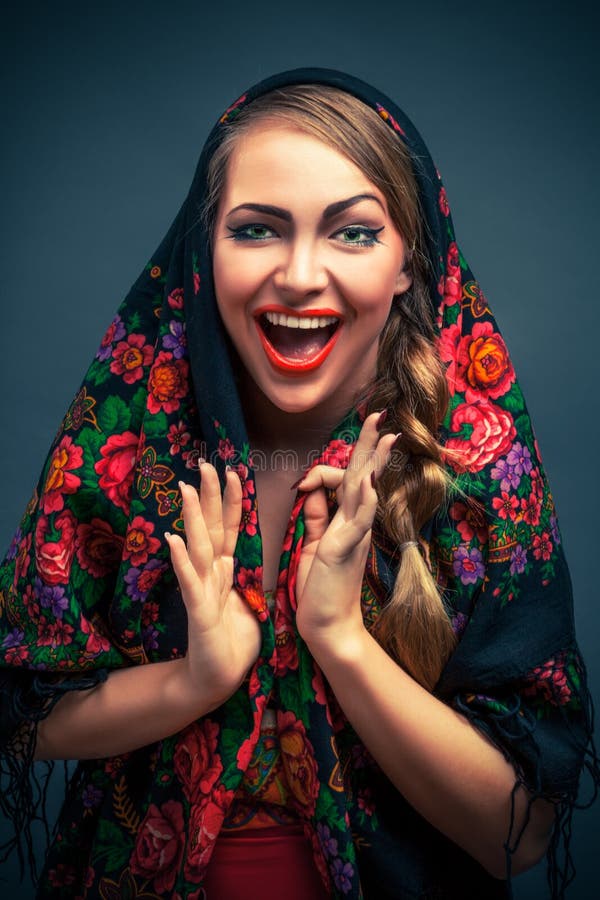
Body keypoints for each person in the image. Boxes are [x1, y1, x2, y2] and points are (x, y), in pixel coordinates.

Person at [0, 68, 596, 900]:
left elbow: (523, 835)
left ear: (406, 263)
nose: (300, 275)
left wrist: (340, 641)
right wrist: (195, 678)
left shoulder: (474, 474)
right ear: (204, 255)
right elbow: (24, 715)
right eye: (257, 230)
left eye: (352, 233)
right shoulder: (126, 446)